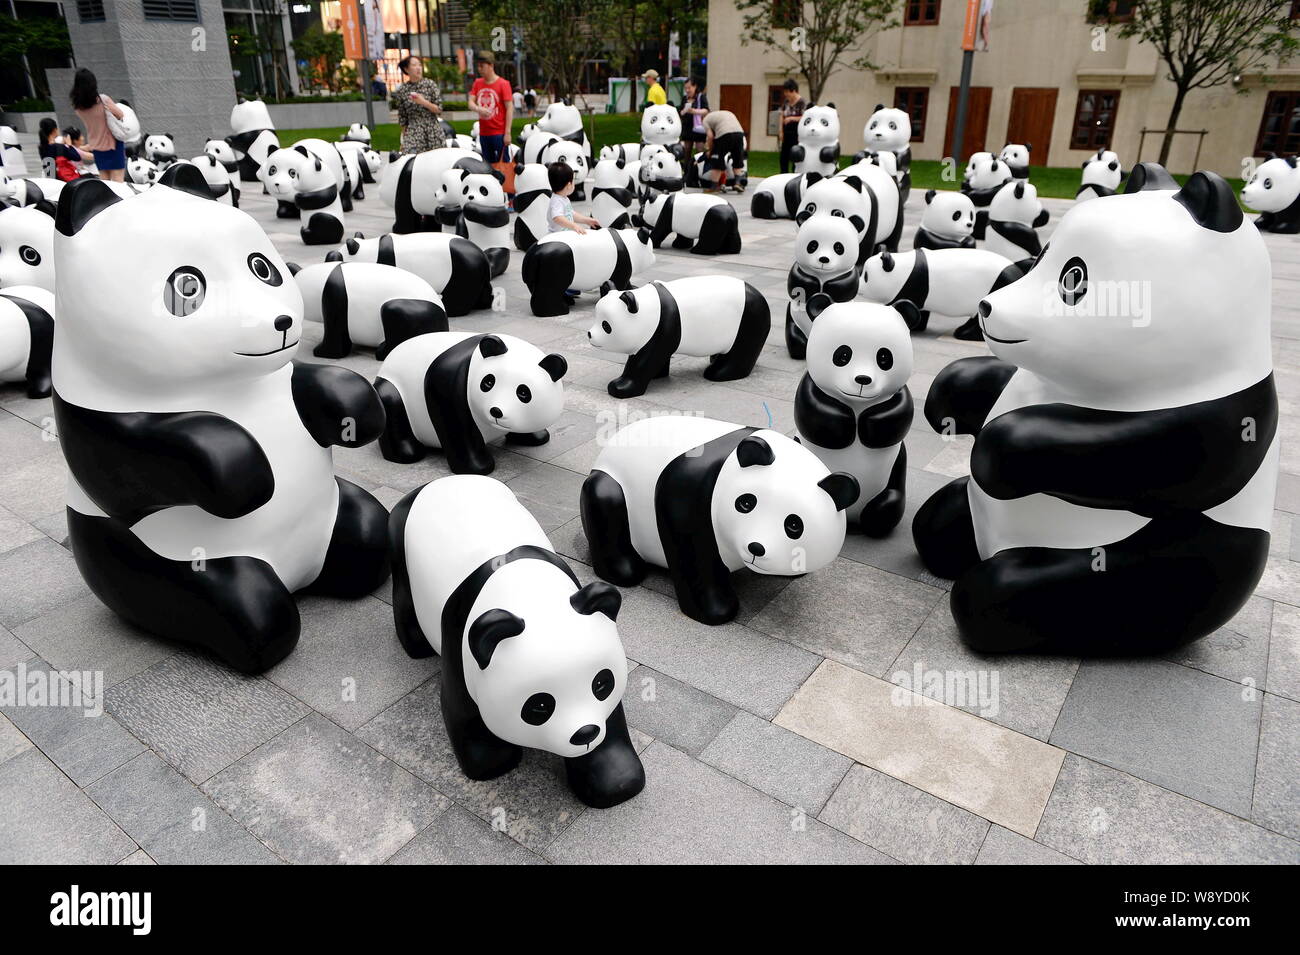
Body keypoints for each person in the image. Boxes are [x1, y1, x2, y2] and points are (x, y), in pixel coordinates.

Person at [70, 68, 127, 182]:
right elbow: (120, 115)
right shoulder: (103, 100)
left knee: (104, 179)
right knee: (118, 179)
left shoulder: (78, 107)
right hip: (113, 144)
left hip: (95, 145)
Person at [390, 55, 445, 155]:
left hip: (432, 129)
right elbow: (403, 117)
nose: (418, 68)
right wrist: (404, 138)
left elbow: (439, 109)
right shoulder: (403, 89)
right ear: (407, 69)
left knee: (436, 160)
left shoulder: (430, 84)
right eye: (414, 65)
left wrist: (423, 102)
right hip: (413, 130)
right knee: (409, 158)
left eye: (420, 65)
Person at [469, 51, 513, 164]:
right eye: (478, 66)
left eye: (482, 66)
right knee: (488, 165)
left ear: (491, 65)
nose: (479, 69)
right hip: (484, 133)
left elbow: (509, 108)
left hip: (499, 133)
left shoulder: (503, 84)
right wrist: (479, 109)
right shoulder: (477, 83)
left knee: (503, 165)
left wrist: (507, 132)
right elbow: (470, 103)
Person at [701, 109, 747, 193]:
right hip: (739, 134)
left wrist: (710, 150)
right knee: (737, 160)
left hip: (725, 134)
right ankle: (737, 183)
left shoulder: (705, 120)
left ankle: (713, 187)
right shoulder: (724, 113)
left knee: (717, 160)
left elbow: (710, 136)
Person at [38, 117, 91, 182]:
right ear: (54, 130)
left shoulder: (41, 147)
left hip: (50, 179)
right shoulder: (59, 147)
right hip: (62, 180)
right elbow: (77, 157)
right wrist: (69, 145)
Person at [777, 79, 805, 174]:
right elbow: (781, 115)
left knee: (795, 156)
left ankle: (794, 175)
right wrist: (781, 131)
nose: (786, 94)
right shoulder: (786, 102)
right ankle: (783, 175)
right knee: (783, 157)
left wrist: (792, 118)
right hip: (786, 132)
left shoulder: (802, 102)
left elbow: (805, 118)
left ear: (793, 91)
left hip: (797, 134)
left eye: (787, 92)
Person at [680, 75, 709, 152]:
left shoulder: (701, 97)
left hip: (698, 127)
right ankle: (687, 164)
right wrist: (684, 111)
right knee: (687, 150)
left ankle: (699, 163)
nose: (687, 90)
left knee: (700, 150)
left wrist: (694, 111)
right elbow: (680, 111)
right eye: (685, 88)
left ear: (695, 87)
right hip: (687, 128)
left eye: (689, 88)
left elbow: (706, 110)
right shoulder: (684, 98)